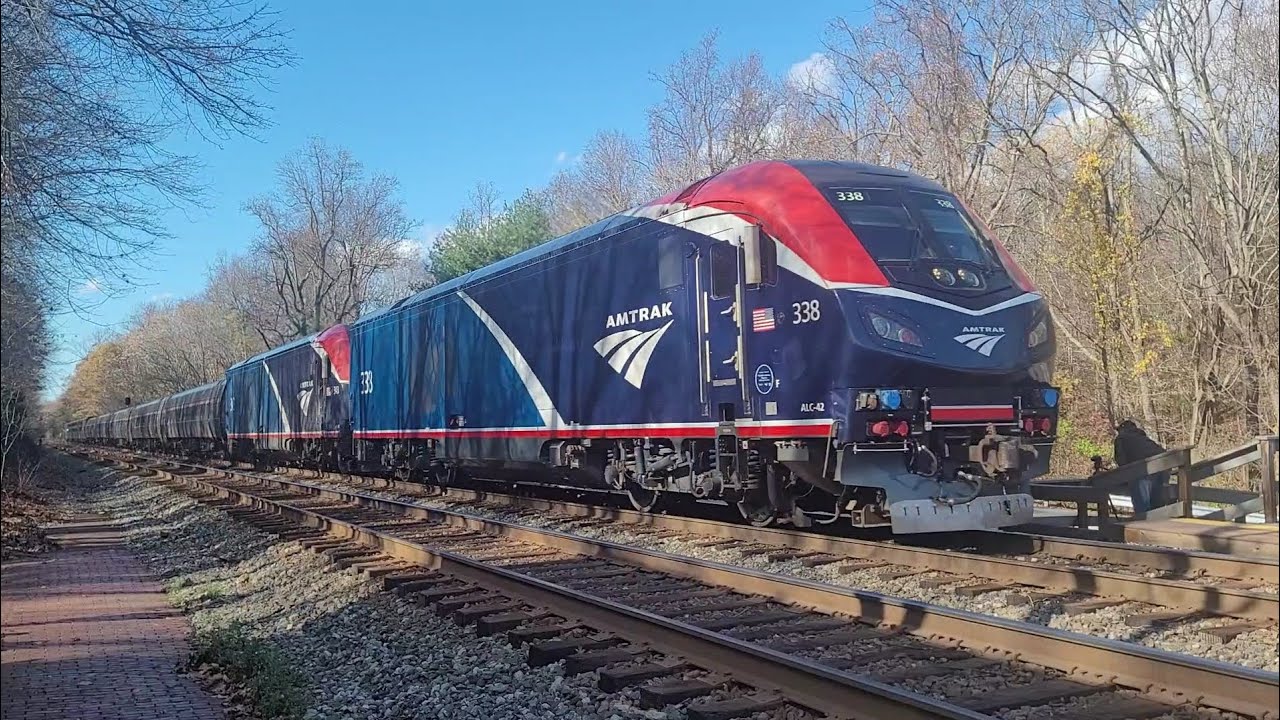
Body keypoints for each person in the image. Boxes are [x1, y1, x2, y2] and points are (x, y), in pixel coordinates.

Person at [1113, 419, 1169, 515]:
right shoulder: (1142, 438)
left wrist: (1123, 478)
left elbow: (1121, 460)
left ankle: (1144, 524)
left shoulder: (1121, 438)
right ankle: (1157, 525)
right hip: (1162, 466)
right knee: (1156, 507)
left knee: (1142, 508)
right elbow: (1162, 453)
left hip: (1142, 471)